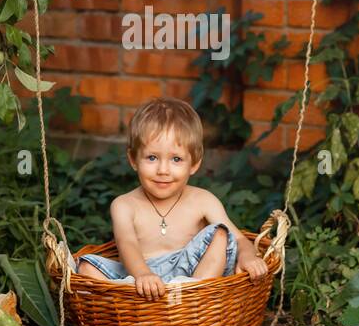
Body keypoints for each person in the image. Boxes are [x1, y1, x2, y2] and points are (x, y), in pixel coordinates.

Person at [74, 97, 271, 300]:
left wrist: (248, 255)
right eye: (152, 158)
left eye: (176, 159)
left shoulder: (203, 200)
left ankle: (192, 300)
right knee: (86, 266)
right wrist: (143, 274)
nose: (163, 170)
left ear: (194, 164)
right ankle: (137, 307)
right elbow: (127, 245)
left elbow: (238, 238)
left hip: (192, 277)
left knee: (221, 234)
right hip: (137, 277)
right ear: (133, 159)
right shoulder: (124, 205)